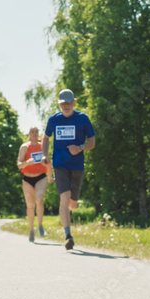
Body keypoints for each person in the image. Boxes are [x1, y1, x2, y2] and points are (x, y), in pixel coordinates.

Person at [43, 89, 95, 249]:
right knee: (64, 199)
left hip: (77, 166)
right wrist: (46, 155)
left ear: (74, 102)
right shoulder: (54, 120)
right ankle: (68, 235)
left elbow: (92, 142)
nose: (66, 106)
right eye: (62, 103)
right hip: (60, 165)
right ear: (59, 104)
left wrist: (80, 147)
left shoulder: (83, 119)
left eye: (68, 102)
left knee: (73, 203)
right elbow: (45, 138)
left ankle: (69, 211)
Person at [17, 126, 51, 242]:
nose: (34, 133)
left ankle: (40, 225)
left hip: (41, 177)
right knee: (30, 206)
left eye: (36, 132)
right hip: (27, 179)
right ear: (29, 134)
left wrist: (50, 176)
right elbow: (19, 164)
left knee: (39, 199)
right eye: (32, 132)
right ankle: (31, 230)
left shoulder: (43, 147)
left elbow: (48, 162)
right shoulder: (24, 147)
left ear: (38, 134)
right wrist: (27, 163)